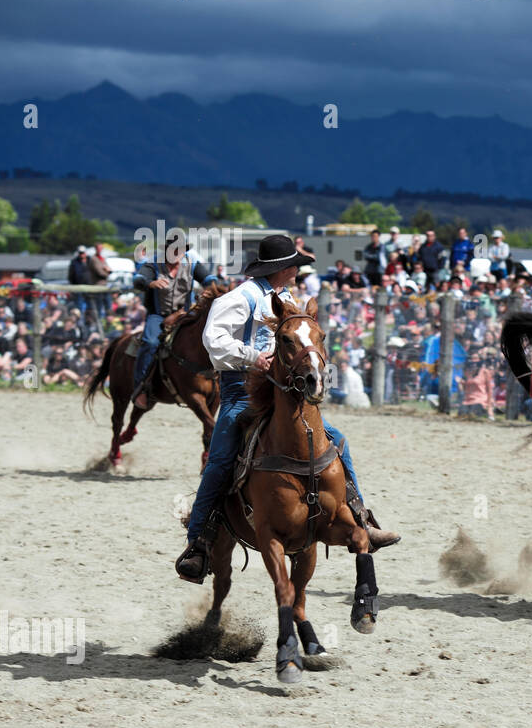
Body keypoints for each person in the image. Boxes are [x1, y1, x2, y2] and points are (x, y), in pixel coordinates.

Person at [175, 235, 400, 582]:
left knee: (337, 440)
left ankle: (360, 520)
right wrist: (252, 357)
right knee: (221, 458)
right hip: (240, 391)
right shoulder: (241, 298)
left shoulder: (285, 300)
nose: (298, 271)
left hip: (281, 390)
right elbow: (213, 339)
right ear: (283, 268)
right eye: (295, 265)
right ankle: (199, 542)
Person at [131, 237, 216, 409]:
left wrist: (210, 288)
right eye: (173, 249)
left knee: (208, 337)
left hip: (185, 314)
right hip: (159, 315)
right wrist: (150, 283)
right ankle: (140, 387)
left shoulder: (192, 264)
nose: (177, 253)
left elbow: (210, 279)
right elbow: (138, 280)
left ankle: (218, 380)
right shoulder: (153, 264)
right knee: (150, 342)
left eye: (180, 250)